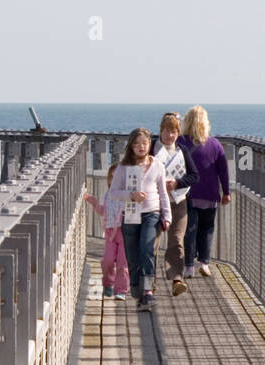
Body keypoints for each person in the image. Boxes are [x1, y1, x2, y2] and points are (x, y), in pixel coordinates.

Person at [107, 127, 171, 308]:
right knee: (133, 257)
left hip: (152, 212)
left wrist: (167, 215)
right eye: (137, 144)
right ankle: (136, 287)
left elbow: (163, 192)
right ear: (131, 147)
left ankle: (148, 291)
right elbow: (113, 193)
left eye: (144, 143)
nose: (141, 147)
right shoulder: (123, 167)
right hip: (130, 214)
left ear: (149, 143)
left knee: (147, 249)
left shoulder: (157, 165)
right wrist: (131, 195)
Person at [178, 106, 231, 278]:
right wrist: (226, 192)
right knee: (207, 229)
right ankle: (205, 263)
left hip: (189, 193)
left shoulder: (181, 142)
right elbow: (223, 170)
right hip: (210, 194)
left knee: (190, 230)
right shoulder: (215, 144)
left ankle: (188, 267)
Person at [151, 112, 198, 295]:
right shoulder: (152, 149)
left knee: (177, 240)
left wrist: (177, 183)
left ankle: (177, 279)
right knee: (152, 242)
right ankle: (149, 282)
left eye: (174, 132)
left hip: (178, 201)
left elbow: (194, 176)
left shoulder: (182, 151)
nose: (170, 135)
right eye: (167, 131)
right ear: (161, 130)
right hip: (155, 202)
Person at [83, 164, 129, 300]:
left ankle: (121, 289)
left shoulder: (128, 195)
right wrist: (94, 203)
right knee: (107, 261)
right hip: (110, 233)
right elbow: (103, 211)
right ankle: (108, 284)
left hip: (125, 232)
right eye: (112, 178)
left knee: (122, 263)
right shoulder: (108, 194)